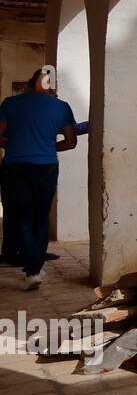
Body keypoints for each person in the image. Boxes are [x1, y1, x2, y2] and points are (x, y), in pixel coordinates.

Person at [0, 66, 77, 288]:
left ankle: (33, 270)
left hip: (15, 166)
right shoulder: (61, 107)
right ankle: (35, 266)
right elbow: (71, 142)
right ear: (52, 86)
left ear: (30, 81)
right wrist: (48, 146)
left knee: (21, 216)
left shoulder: (10, 104)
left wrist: (13, 143)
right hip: (46, 166)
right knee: (41, 217)